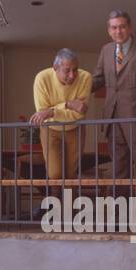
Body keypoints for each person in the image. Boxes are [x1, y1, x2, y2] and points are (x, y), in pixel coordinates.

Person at [91, 11, 136, 218]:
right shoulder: (105, 51)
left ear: (129, 28)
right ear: (109, 30)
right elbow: (97, 80)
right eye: (113, 27)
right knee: (118, 173)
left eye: (122, 26)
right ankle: (118, 219)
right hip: (113, 120)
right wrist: (75, 89)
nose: (118, 31)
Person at [30, 49, 92, 182]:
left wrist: (52, 111)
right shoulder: (42, 78)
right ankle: (55, 202)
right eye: (67, 70)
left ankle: (69, 203)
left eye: (75, 70)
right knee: (55, 174)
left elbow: (79, 112)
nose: (72, 75)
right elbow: (42, 111)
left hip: (75, 129)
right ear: (55, 68)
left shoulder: (85, 77)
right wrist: (68, 105)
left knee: (71, 174)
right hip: (50, 129)